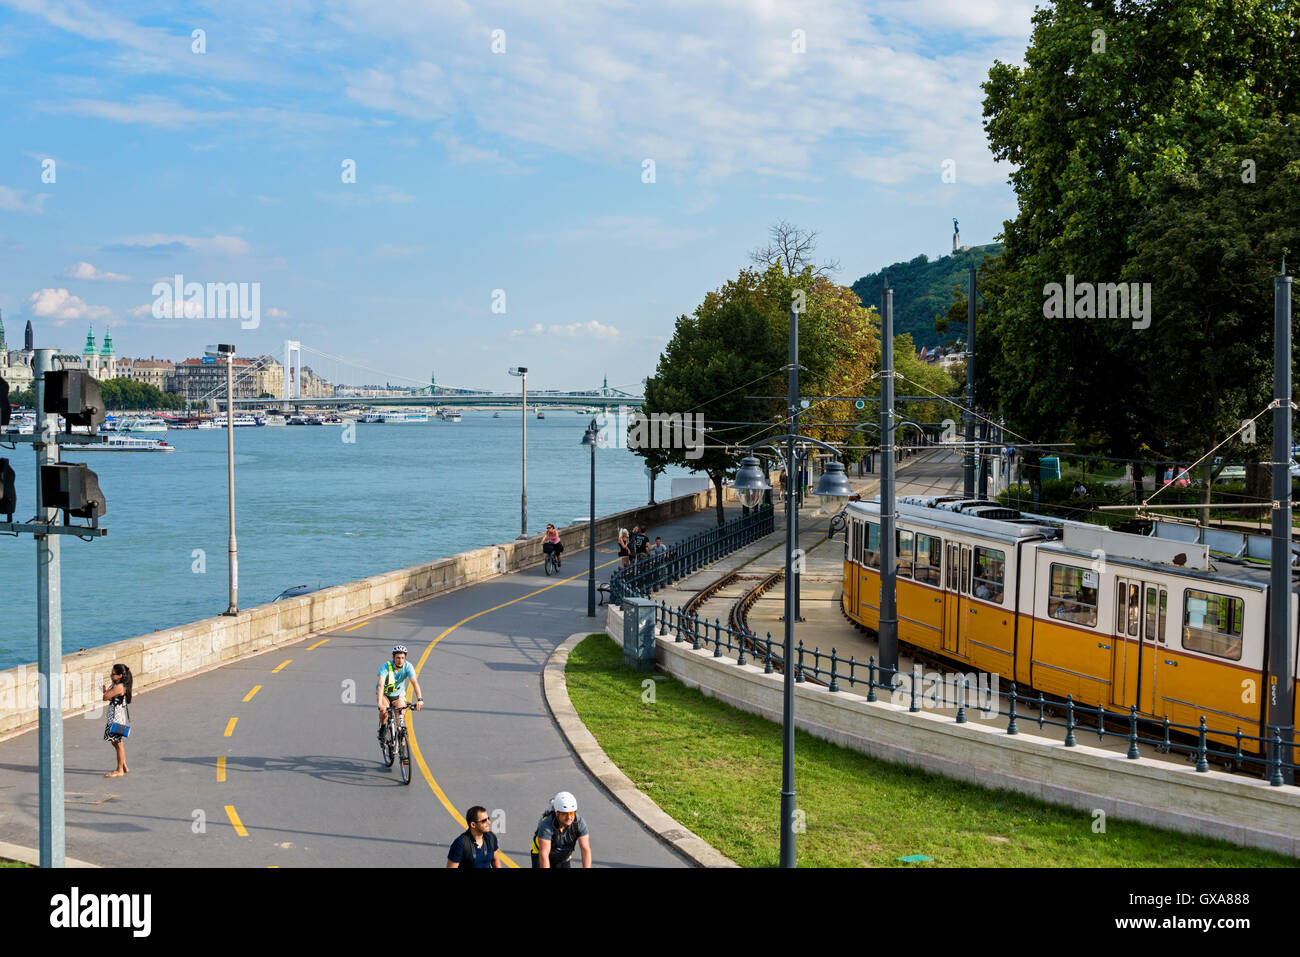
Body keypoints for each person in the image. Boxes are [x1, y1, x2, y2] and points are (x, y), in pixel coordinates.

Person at [530, 791, 592, 868]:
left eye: (572, 813)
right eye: (564, 814)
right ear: (557, 813)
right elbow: (544, 855)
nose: (569, 817)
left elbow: (585, 849)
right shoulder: (546, 825)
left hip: (563, 855)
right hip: (541, 854)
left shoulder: (579, 823)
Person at [377, 645, 423, 742]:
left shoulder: (408, 666)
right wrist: (380, 704)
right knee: (384, 712)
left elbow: (414, 682)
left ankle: (402, 746)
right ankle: (383, 727)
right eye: (398, 658)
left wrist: (420, 699)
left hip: (398, 695)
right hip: (385, 694)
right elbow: (381, 685)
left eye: (402, 658)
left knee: (401, 715)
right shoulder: (385, 667)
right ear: (393, 658)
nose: (400, 660)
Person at [102, 663, 132, 778]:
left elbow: (105, 697)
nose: (111, 675)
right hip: (115, 716)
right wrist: (109, 689)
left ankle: (119, 770)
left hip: (116, 718)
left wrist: (108, 690)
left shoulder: (119, 687)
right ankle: (123, 765)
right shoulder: (119, 685)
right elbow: (108, 696)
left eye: (113, 674)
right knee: (115, 742)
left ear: (120, 675)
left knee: (118, 743)